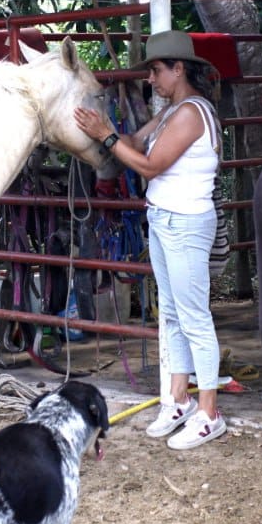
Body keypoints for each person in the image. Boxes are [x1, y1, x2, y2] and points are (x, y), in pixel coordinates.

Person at [73, 30, 225, 450]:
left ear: (179, 69)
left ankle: (209, 411)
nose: (152, 79)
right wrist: (98, 130)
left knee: (193, 316)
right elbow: (136, 142)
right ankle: (178, 399)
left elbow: (150, 165)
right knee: (174, 314)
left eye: (157, 70)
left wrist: (105, 135)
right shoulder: (174, 110)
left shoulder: (192, 113)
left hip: (184, 221)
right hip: (164, 219)